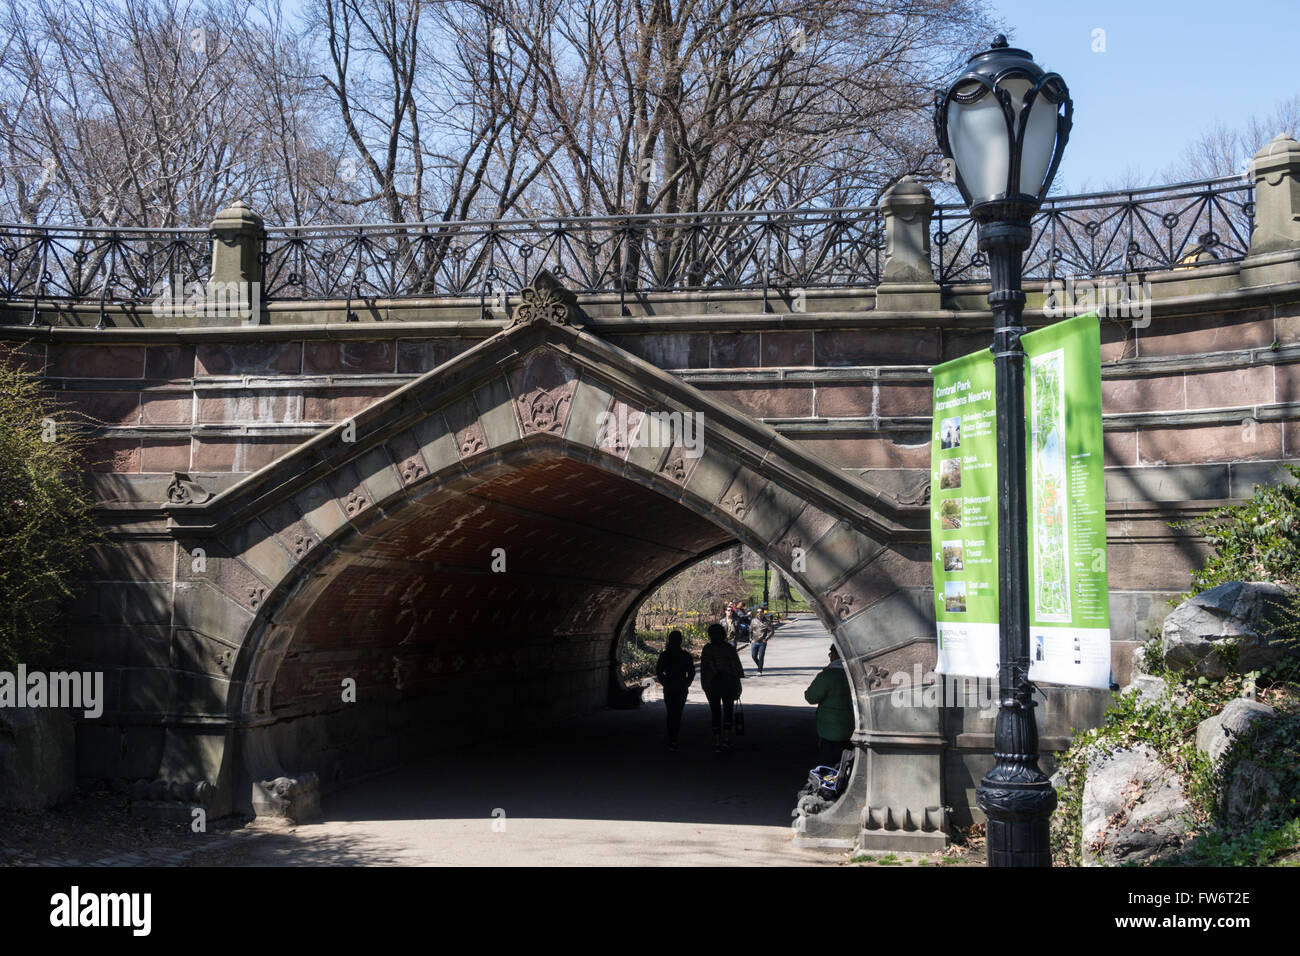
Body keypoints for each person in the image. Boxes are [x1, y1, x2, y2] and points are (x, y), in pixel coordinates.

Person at [804, 645, 854, 767]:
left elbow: (811, 697)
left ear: (835, 654)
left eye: (830, 653)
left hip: (830, 730)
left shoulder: (827, 676)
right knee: (847, 762)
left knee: (829, 764)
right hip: (852, 728)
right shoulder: (854, 674)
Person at [699, 622, 744, 751]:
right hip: (728, 683)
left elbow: (703, 668)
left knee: (715, 712)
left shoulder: (707, 648)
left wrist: (704, 684)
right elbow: (736, 666)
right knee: (728, 710)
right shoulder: (728, 648)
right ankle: (727, 738)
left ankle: (717, 740)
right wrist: (737, 682)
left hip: (712, 683)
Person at [654, 630, 696, 751]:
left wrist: (664, 682)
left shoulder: (664, 655)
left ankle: (671, 737)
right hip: (681, 686)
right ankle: (674, 737)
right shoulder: (685, 655)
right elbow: (691, 671)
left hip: (669, 687)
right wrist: (687, 683)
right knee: (677, 712)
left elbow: (659, 671)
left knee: (670, 712)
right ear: (681, 641)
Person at [750, 608, 773, 674]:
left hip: (762, 642)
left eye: (761, 612)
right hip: (754, 641)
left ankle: (759, 670)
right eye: (758, 612)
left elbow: (772, 631)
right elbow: (750, 631)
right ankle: (760, 666)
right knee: (753, 656)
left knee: (761, 656)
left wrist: (766, 639)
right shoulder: (753, 620)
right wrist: (750, 639)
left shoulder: (767, 622)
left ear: (763, 612)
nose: (759, 613)